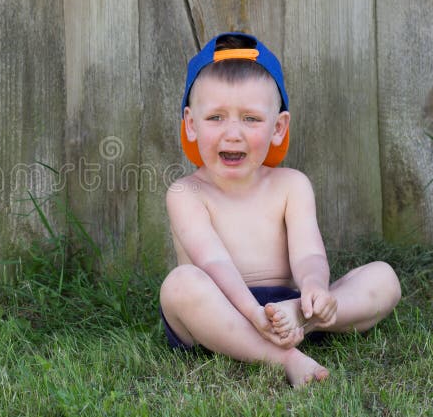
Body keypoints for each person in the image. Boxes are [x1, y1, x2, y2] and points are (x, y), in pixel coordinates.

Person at [159, 32, 401, 387]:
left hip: (289, 310)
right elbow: (213, 262)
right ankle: (286, 358)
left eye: (251, 119)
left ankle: (309, 321)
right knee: (180, 285)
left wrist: (314, 291)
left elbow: (308, 252)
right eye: (215, 118)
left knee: (385, 277)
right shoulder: (187, 192)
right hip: (219, 312)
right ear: (191, 124)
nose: (233, 133)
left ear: (278, 127)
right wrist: (254, 314)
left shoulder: (291, 184)